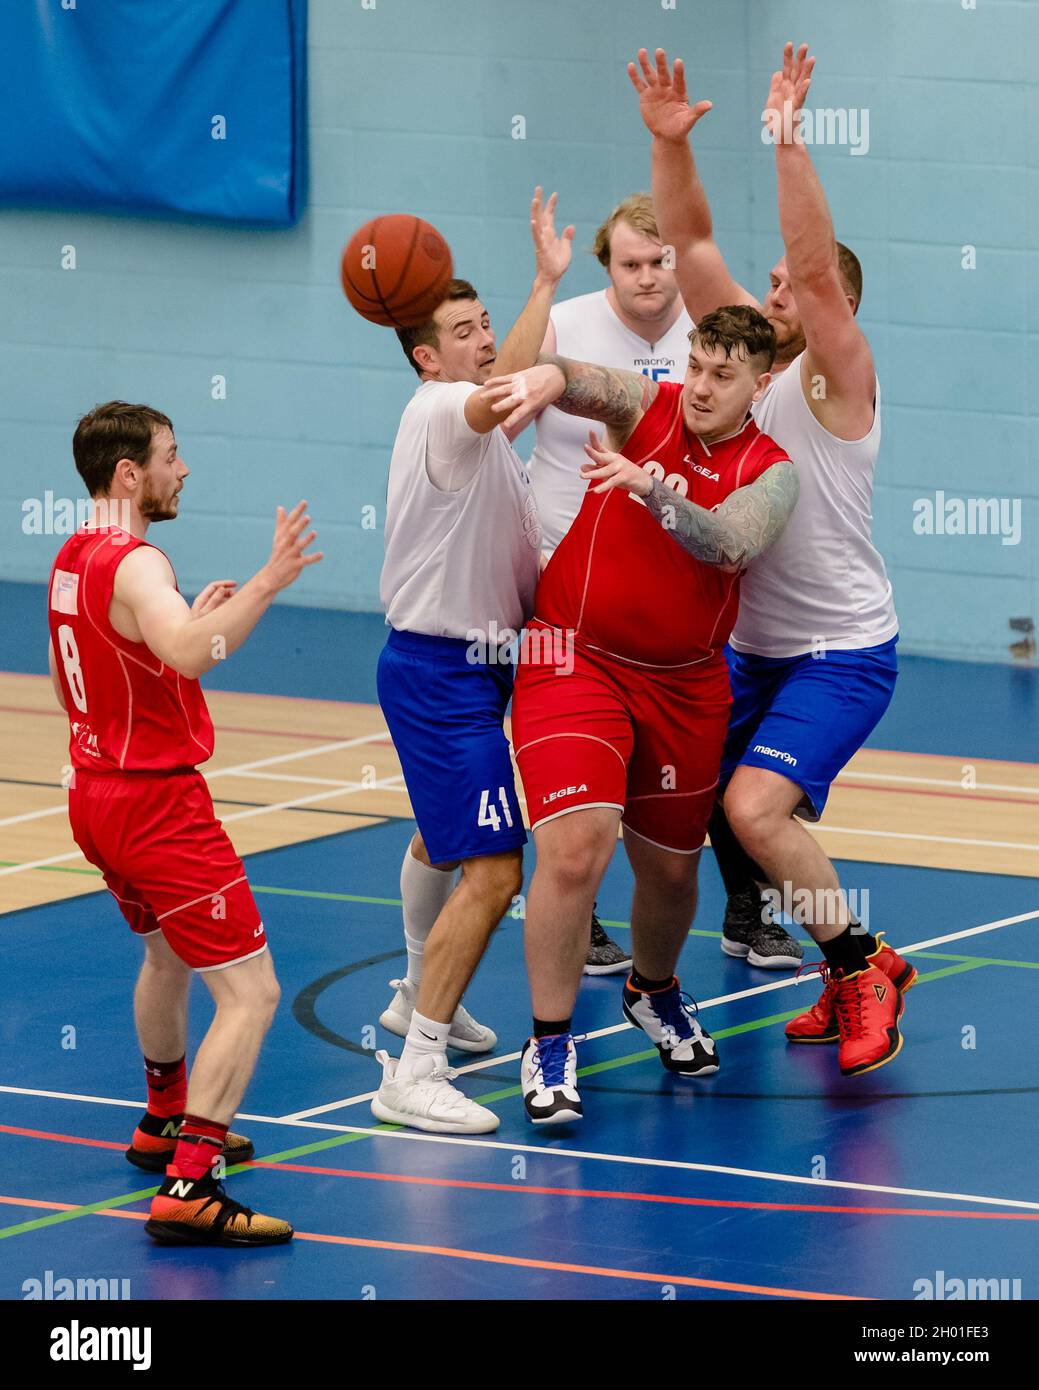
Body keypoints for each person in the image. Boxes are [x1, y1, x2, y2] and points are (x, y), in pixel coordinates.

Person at [631, 44, 914, 1076]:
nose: (773, 286)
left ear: (829, 300)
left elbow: (808, 253)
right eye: (771, 280)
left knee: (756, 807)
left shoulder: (838, 382)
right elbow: (693, 235)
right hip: (752, 649)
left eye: (795, 282)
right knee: (712, 807)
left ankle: (857, 968)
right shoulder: (747, 365)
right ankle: (857, 962)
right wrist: (669, 146)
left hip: (841, 648)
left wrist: (788, 138)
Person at [484, 304, 799, 1123]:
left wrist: (656, 495)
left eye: (720, 375)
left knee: (669, 869)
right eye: (694, 365)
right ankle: (548, 1043)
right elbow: (584, 382)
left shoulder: (772, 470)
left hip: (685, 685)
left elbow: (729, 543)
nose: (697, 386)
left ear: (759, 385)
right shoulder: (648, 408)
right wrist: (545, 379)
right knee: (575, 850)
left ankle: (651, 989)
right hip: (570, 654)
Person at [47, 401, 320, 1244]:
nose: (183, 469)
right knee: (252, 991)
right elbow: (192, 654)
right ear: (129, 474)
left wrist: (189, 616)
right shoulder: (136, 562)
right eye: (171, 455)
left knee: (165, 954)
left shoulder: (72, 554)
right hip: (156, 804)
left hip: (93, 792)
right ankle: (191, 1185)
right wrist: (268, 584)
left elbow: (131, 651)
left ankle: (164, 1117)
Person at [371, 189, 573, 1134]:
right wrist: (562, 369)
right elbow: (511, 388)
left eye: (487, 323)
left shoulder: (475, 416)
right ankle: (410, 1073)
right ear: (426, 355)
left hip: (483, 660)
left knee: (437, 833)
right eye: (464, 328)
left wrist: (541, 282)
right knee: (496, 869)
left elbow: (514, 377)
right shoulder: (444, 411)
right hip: (440, 669)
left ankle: (415, 995)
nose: (486, 339)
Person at [529, 192, 694, 976]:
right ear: (606, 267)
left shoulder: (709, 330)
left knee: (692, 768)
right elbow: (495, 405)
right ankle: (580, 907)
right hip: (565, 585)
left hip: (675, 587)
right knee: (573, 759)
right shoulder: (566, 321)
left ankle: (741, 910)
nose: (648, 277)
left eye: (661, 260)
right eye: (631, 263)